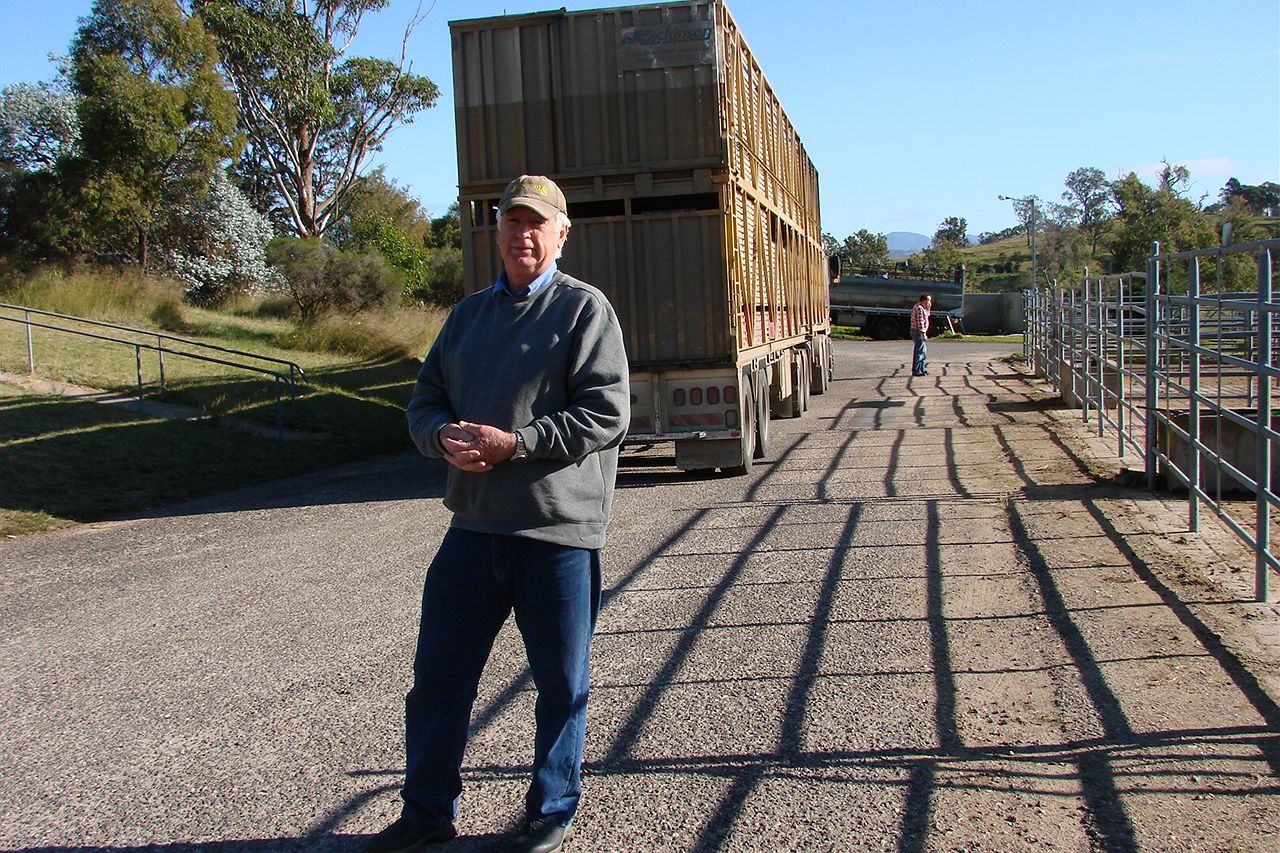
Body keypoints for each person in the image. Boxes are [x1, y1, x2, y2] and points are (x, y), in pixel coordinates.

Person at [368, 175, 630, 853]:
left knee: (560, 685)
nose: (523, 235)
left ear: (562, 233)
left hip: (557, 535)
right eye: (512, 222)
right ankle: (427, 812)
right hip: (473, 531)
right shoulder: (466, 317)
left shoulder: (585, 311)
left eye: (537, 223)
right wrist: (439, 437)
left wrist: (518, 444)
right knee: (438, 682)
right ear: (497, 232)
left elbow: (606, 411)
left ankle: (551, 809)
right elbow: (425, 400)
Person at [910, 292, 932, 376]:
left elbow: (927, 315)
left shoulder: (922, 308)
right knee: (919, 351)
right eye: (928, 300)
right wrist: (923, 334)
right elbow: (920, 323)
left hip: (918, 331)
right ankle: (916, 370)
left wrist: (928, 308)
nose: (929, 302)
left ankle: (922, 368)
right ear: (924, 300)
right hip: (918, 332)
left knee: (923, 351)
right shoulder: (919, 308)